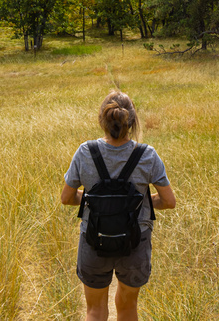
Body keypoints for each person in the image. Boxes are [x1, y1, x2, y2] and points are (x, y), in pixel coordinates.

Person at [61, 90, 176, 321]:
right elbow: (169, 202)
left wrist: (95, 201)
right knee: (127, 307)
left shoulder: (85, 152)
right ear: (132, 121)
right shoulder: (148, 155)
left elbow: (66, 198)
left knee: (94, 310)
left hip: (94, 239)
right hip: (135, 242)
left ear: (102, 120)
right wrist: (137, 203)